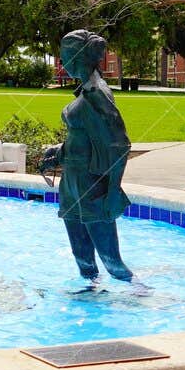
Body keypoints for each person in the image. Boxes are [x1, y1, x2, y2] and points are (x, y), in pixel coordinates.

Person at [43, 29, 134, 285]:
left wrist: (113, 190)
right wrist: (60, 152)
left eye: (64, 56)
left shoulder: (97, 94)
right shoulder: (84, 90)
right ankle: (88, 296)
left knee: (111, 260)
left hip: (92, 185)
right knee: (81, 255)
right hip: (72, 181)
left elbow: (119, 145)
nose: (62, 62)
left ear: (77, 57)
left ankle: (144, 297)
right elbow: (84, 136)